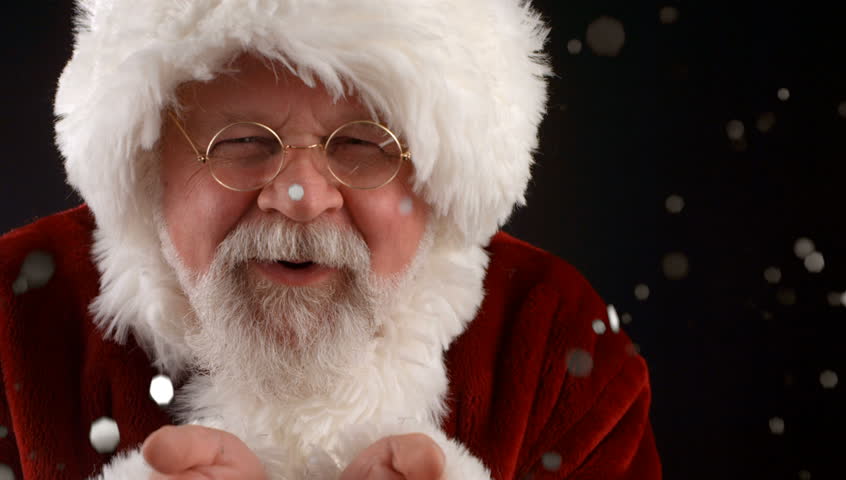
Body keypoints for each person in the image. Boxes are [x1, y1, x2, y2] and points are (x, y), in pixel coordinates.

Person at [0, 0, 661, 478]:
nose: (300, 196)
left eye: (365, 145)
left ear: (439, 176)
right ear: (149, 168)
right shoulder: (13, 312)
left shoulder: (553, 337)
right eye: (241, 142)